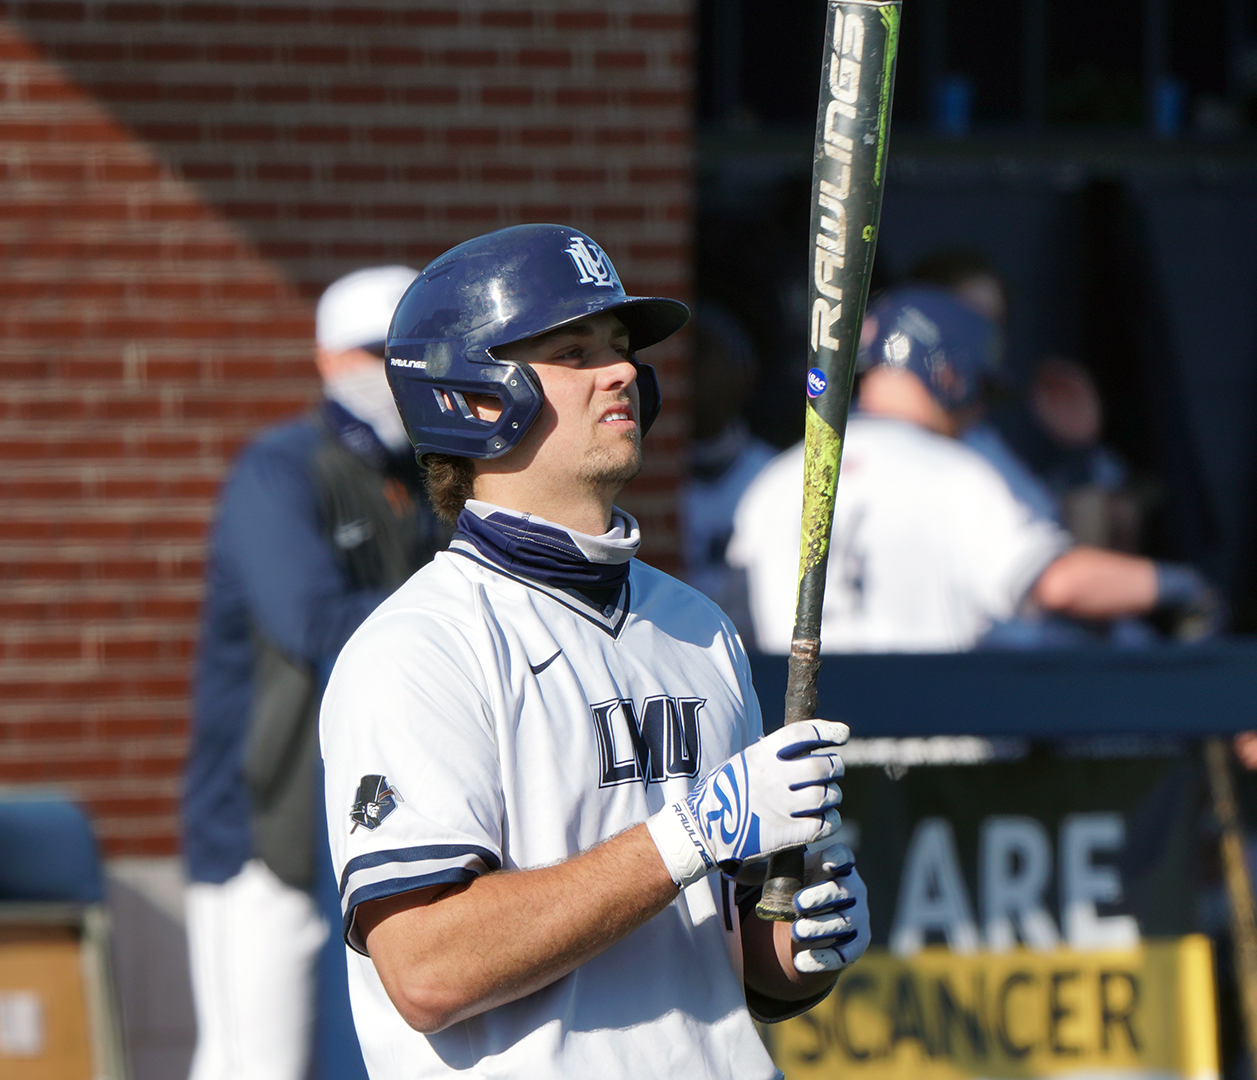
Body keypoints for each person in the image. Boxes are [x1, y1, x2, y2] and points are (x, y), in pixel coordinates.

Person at [322, 224, 865, 1078]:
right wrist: (691, 832)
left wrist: (796, 943)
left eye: (620, 350)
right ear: (470, 393)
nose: (622, 372)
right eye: (574, 351)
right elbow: (427, 969)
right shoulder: (417, 646)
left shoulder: (698, 626)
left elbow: (730, 971)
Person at [183, 265, 436, 1080]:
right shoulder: (279, 470)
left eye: (415, 355)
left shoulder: (421, 478)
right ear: (330, 359)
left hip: (369, 816)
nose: (402, 376)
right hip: (262, 826)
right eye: (380, 353)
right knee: (252, 1063)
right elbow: (314, 625)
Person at [728, 286, 1221, 654]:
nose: (979, 410)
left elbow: (733, 624)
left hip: (810, 759)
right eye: (980, 391)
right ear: (948, 373)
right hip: (934, 758)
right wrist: (1178, 585)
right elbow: (1055, 583)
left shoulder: (776, 479)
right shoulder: (955, 473)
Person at [678, 301, 775, 635]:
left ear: (743, 373)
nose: (693, 376)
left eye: (704, 357)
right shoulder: (647, 482)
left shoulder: (775, 477)